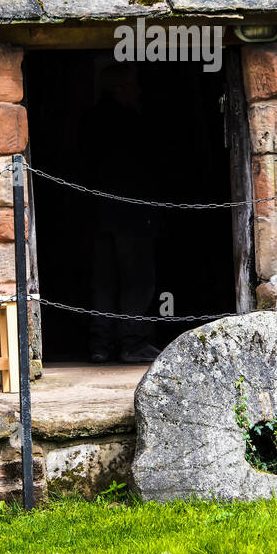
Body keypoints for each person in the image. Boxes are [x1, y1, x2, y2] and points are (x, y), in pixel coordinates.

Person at [79, 64, 161, 364]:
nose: (138, 91)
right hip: (131, 214)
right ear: (120, 88)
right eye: (132, 85)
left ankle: (100, 345)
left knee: (103, 282)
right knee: (137, 281)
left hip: (97, 215)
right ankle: (133, 343)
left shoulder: (88, 121)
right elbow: (146, 172)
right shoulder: (133, 122)